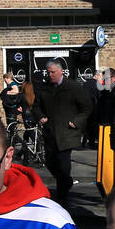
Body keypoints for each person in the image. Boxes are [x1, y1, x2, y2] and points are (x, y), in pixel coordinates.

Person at [36, 58, 94, 207]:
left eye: (53, 72)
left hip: (67, 133)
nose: (50, 75)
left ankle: (62, 199)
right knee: (50, 162)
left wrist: (76, 121)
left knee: (63, 165)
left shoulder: (73, 87)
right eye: (48, 72)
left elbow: (87, 107)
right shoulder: (44, 88)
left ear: (61, 71)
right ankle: (67, 182)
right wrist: (40, 116)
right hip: (50, 132)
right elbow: (36, 106)